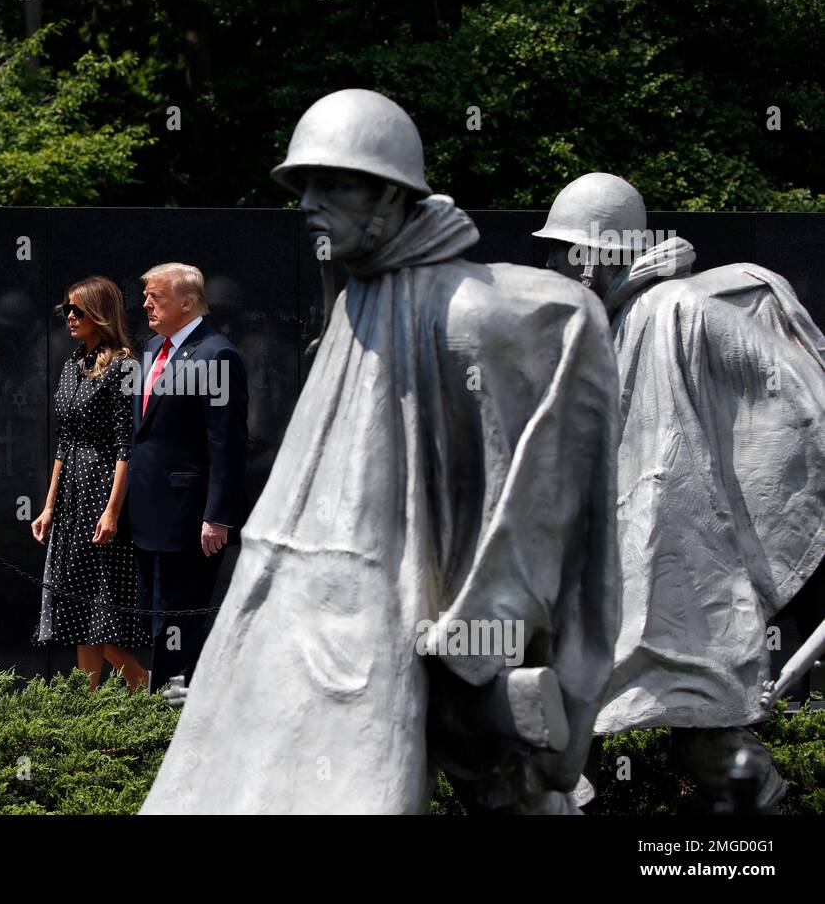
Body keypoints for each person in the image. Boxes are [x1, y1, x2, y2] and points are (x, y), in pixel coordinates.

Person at [140, 90, 620, 815]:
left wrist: (483, 617)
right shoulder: (360, 301)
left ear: (391, 196)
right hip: (349, 612)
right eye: (305, 186)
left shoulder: (467, 313)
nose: (309, 204)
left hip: (448, 617)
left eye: (333, 185)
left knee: (503, 782)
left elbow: (527, 488)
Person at [535, 172, 825, 812]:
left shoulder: (678, 309)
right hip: (625, 577)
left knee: (701, 743)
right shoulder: (608, 325)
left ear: (590, 257)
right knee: (556, 734)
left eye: (559, 249)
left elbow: (800, 392)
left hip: (688, 582)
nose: (549, 261)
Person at [127, 263, 249, 693]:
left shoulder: (217, 355)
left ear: (187, 302)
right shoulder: (150, 350)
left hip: (189, 516)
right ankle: (161, 702)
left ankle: (177, 708)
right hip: (148, 513)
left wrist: (217, 515)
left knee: (180, 613)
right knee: (158, 614)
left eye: (155, 296)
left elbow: (227, 444)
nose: (145, 304)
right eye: (146, 296)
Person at [32, 276, 148, 692]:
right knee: (77, 603)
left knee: (99, 602)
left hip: (102, 489)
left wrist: (113, 511)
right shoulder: (70, 366)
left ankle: (124, 684)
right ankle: (104, 695)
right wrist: (48, 506)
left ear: (100, 312)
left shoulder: (125, 365)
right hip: (71, 497)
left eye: (78, 310)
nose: (69, 317)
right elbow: (63, 443)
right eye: (66, 309)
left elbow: (125, 445)